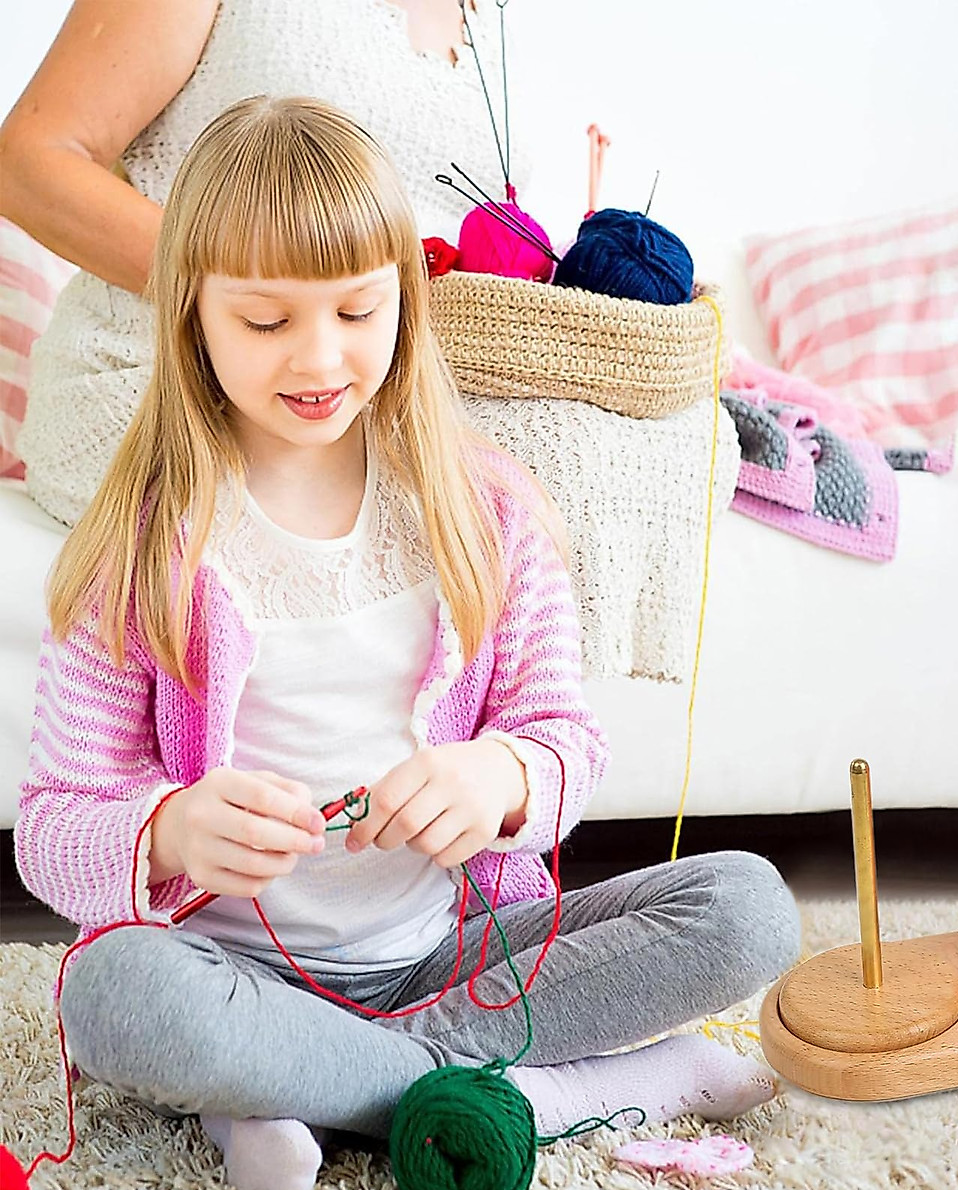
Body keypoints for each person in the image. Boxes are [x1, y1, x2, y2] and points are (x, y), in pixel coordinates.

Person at [13, 96, 800, 1190]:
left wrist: (507, 776)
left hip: (454, 956)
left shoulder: (482, 511)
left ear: (405, 302)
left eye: (356, 310)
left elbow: (565, 738)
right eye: (266, 321)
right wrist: (170, 829)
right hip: (233, 969)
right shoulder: (140, 547)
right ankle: (536, 1093)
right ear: (190, 316)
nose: (320, 356)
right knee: (114, 993)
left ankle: (304, 1098)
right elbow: (50, 826)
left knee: (749, 906)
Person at [0, 0, 740, 683]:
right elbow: (30, 161)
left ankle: (522, 762)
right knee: (544, 465)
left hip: (375, 375)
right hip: (176, 370)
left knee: (688, 437)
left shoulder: (483, 16)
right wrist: (250, 291)